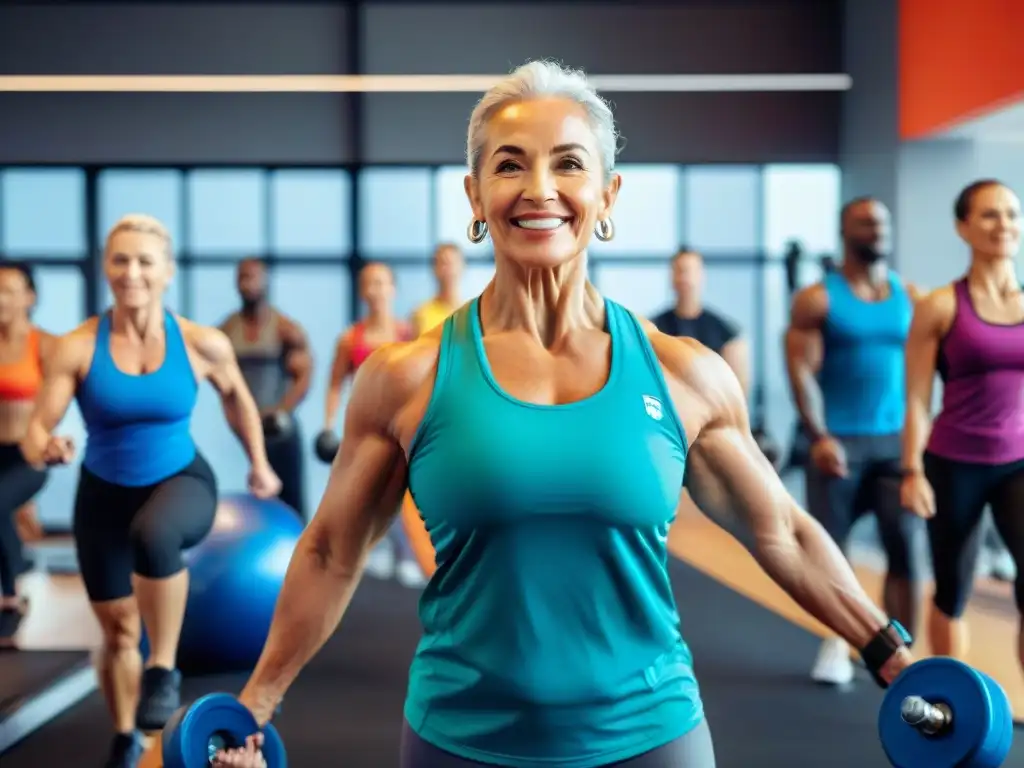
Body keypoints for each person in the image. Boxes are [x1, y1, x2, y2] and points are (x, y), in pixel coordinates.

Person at [185, 61, 914, 768]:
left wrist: (891, 654)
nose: (540, 189)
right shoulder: (407, 379)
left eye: (568, 163)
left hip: (651, 732)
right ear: (475, 196)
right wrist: (255, 705)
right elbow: (329, 552)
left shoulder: (683, 372)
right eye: (510, 166)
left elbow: (780, 530)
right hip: (462, 737)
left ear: (608, 194)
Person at [21, 214, 282, 768]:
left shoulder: (200, 341)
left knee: (155, 533)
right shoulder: (75, 347)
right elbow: (35, 430)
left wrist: (258, 463)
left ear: (166, 271)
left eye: (145, 261)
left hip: (181, 480)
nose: (132, 272)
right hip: (102, 496)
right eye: (120, 260)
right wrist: (47, 446)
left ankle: (163, 668)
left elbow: (237, 400)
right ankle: (124, 734)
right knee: (117, 633)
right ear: (105, 269)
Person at [785, 197, 924, 687]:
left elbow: (921, 376)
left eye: (883, 221)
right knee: (833, 556)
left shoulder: (908, 295)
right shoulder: (818, 298)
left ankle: (905, 655)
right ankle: (836, 644)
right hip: (838, 442)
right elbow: (800, 371)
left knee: (905, 546)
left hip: (892, 444)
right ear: (846, 230)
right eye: (866, 221)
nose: (877, 229)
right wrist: (818, 436)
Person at [901, 179, 1024, 667]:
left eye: (1011, 214)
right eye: (990, 214)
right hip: (954, 465)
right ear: (963, 227)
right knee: (952, 588)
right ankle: (956, 701)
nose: (1004, 225)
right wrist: (912, 470)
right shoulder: (941, 306)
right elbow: (915, 398)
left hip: (1018, 461)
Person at [321, 261, 423, 588]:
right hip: (365, 426)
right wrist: (327, 425)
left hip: (404, 424)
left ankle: (406, 554)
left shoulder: (410, 334)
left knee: (407, 491)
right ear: (362, 291)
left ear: (393, 290)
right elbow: (336, 383)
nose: (376, 290)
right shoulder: (351, 339)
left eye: (382, 283)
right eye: (369, 284)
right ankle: (377, 549)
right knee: (368, 490)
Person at [221, 258, 313, 519]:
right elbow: (222, 384)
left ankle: (297, 557)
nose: (248, 284)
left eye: (253, 277)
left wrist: (281, 411)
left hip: (280, 430)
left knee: (291, 500)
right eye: (243, 278)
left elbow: (304, 375)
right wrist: (235, 420)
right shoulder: (227, 330)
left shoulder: (286, 329)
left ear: (265, 281)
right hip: (247, 429)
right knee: (257, 498)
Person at [0, 262, 54, 614]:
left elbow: (61, 401)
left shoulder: (45, 345)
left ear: (29, 297)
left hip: (29, 456)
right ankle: (19, 560)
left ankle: (10, 594)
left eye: (8, 290)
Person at [651, 247, 749, 394]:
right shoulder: (652, 329)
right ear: (671, 276)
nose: (684, 277)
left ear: (701, 275)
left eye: (689, 271)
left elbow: (738, 395)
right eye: (678, 270)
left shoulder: (727, 335)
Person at [410, 243, 465, 336]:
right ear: (434, 269)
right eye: (443, 263)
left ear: (462, 267)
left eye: (452, 263)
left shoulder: (472, 314)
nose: (448, 270)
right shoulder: (420, 314)